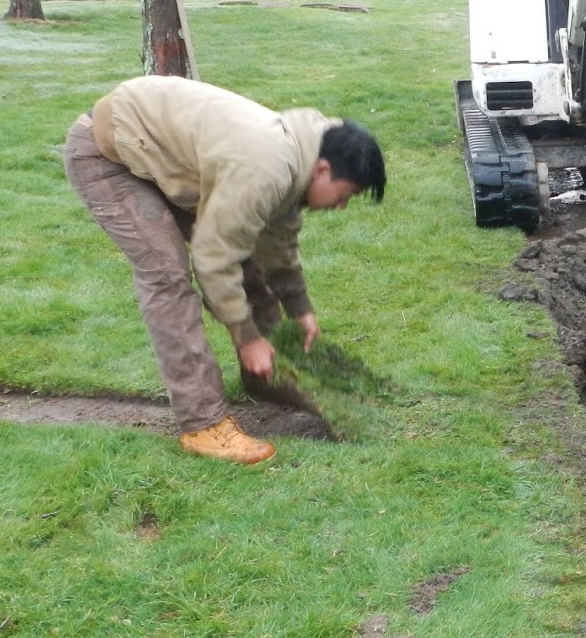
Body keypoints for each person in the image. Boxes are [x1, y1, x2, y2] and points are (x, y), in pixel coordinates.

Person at [62, 75, 386, 465]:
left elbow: (276, 244)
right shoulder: (266, 167)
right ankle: (202, 423)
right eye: (346, 194)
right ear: (321, 170)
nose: (342, 207)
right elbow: (214, 258)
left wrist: (299, 306)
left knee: (246, 265)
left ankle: (267, 378)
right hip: (107, 156)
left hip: (166, 154)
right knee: (167, 276)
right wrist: (248, 336)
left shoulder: (297, 160)